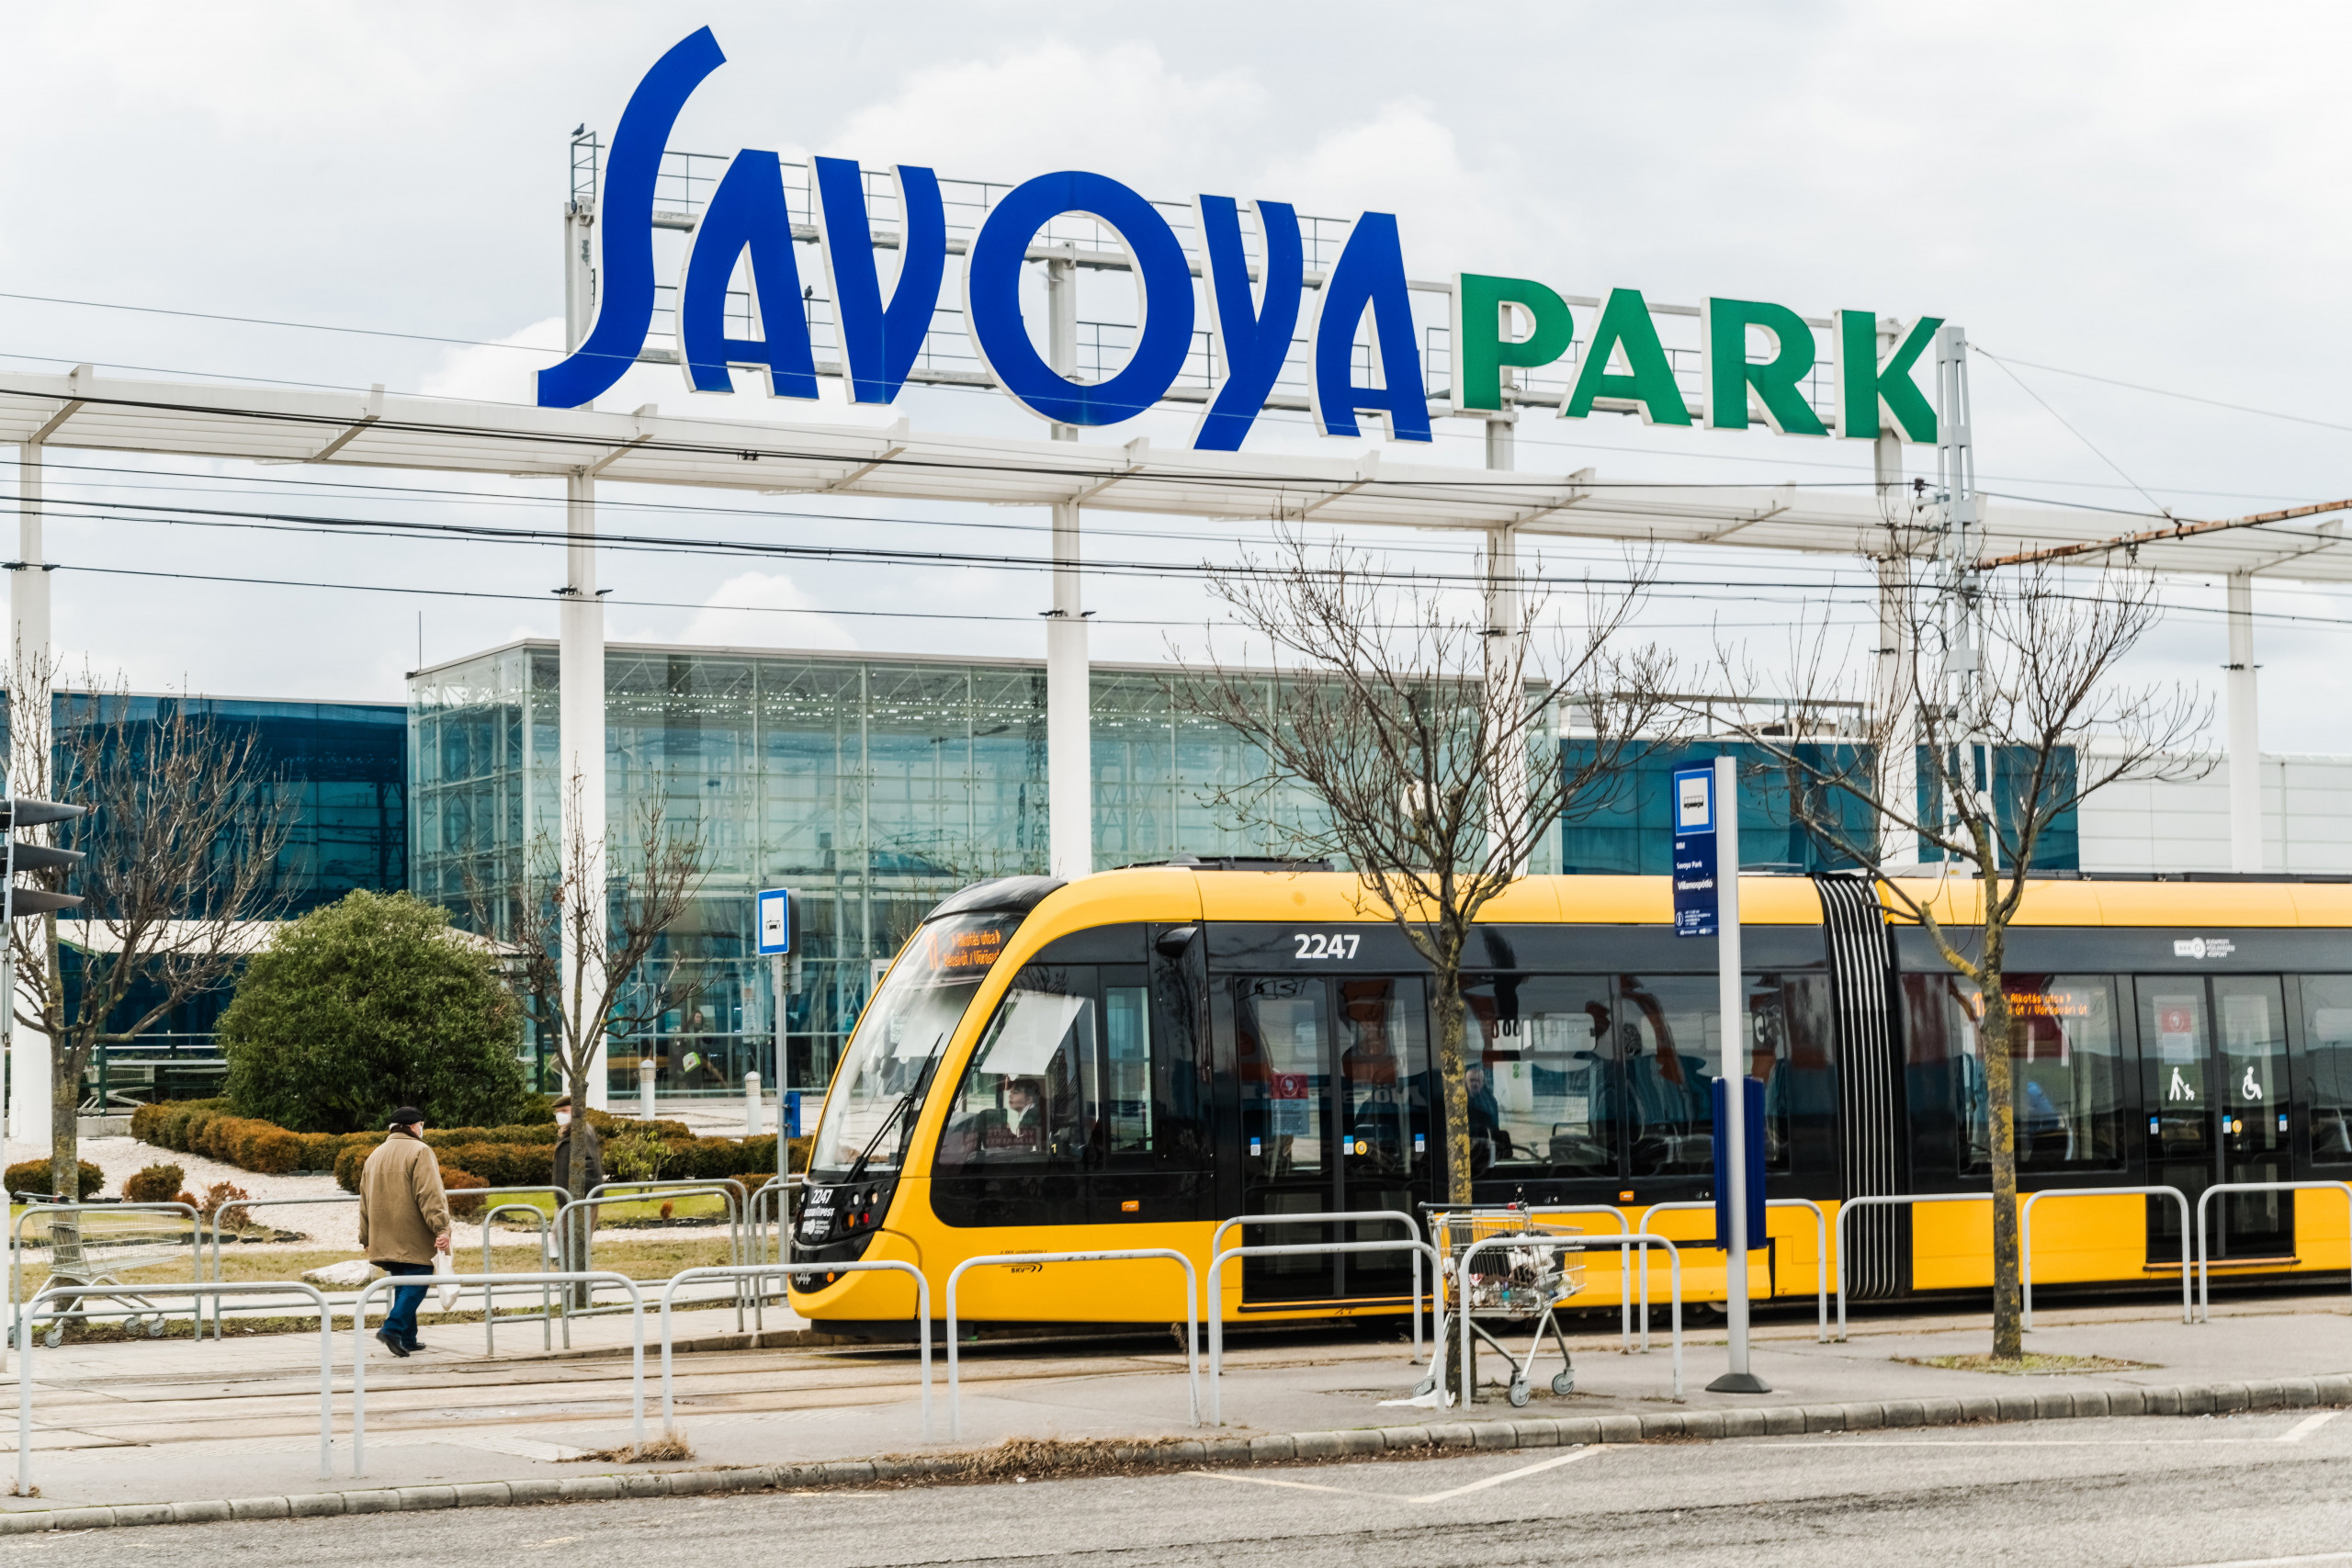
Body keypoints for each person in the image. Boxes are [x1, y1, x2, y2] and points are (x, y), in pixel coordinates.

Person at [356, 1106, 450, 1359]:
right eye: (421, 1125)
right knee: (418, 1280)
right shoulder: (420, 1150)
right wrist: (441, 1227)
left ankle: (408, 1338)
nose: (422, 1129)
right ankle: (392, 1329)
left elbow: (363, 1200)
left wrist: (365, 1237)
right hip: (412, 1233)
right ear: (413, 1127)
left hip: (384, 1234)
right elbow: (429, 1194)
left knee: (403, 1284)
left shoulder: (375, 1154)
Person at [551, 1096, 604, 1194]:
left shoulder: (581, 1132)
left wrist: (579, 1194)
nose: (559, 1115)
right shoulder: (565, 1132)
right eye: (557, 1112)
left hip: (581, 1199)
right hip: (567, 1197)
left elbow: (589, 1165)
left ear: (575, 1111)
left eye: (564, 1110)